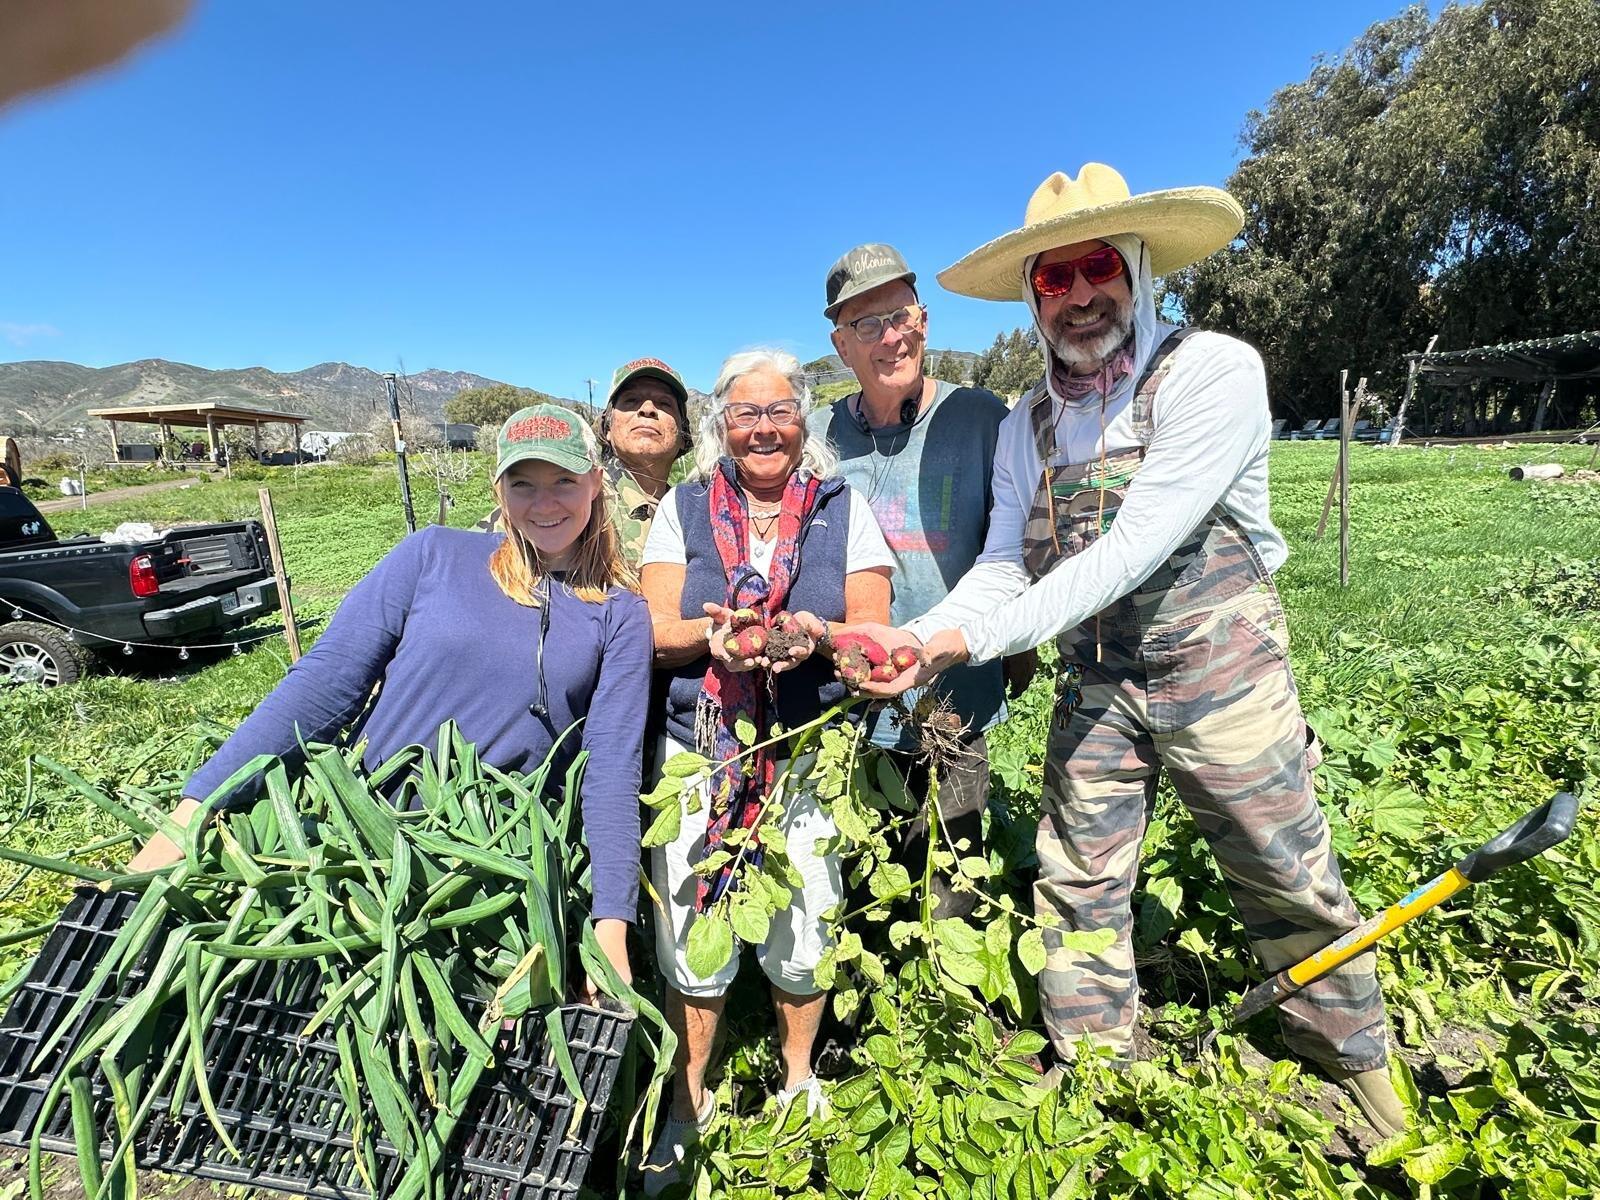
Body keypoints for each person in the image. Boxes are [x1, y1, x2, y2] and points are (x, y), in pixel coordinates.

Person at [852, 164, 1406, 1135]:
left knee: (1281, 866)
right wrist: (918, 641)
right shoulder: (1031, 422)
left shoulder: (1209, 373)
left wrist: (950, 638)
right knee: (1074, 875)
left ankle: (1352, 1058)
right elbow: (1001, 566)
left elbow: (1129, 549)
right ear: (1032, 295)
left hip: (1222, 672)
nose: (1077, 295)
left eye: (1096, 267)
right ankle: (1099, 1066)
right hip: (1098, 678)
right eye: (1052, 279)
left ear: (1139, 267)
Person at [128, 403, 650, 989]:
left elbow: (611, 767)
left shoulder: (620, 613)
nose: (544, 503)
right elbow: (326, 684)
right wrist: (193, 810)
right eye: (522, 483)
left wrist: (610, 924)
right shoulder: (434, 554)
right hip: (359, 839)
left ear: (596, 482)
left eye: (564, 481)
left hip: (496, 872)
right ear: (498, 487)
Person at [637, 349, 894, 1193]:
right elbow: (653, 629)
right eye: (744, 416)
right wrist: (709, 638)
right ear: (721, 427)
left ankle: (795, 1078)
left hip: (807, 749)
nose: (763, 430)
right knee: (691, 921)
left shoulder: (840, 509)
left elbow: (870, 628)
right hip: (701, 750)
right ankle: (689, 1101)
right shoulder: (681, 510)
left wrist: (819, 637)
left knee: (808, 912)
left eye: (779, 411)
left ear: (803, 419)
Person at [809, 243, 1033, 919]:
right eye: (867, 325)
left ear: (925, 321)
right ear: (841, 345)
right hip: (850, 697)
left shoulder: (981, 418)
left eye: (901, 315)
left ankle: (949, 1003)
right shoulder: (819, 437)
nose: (891, 336)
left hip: (954, 693)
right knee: (856, 871)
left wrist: (1018, 643)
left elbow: (1015, 539)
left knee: (952, 870)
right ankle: (862, 1011)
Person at [477, 357, 691, 565]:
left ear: (684, 436)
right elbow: (471, 553)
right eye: (631, 401)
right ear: (607, 428)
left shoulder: (691, 511)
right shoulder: (579, 497)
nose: (647, 409)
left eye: (664, 403)